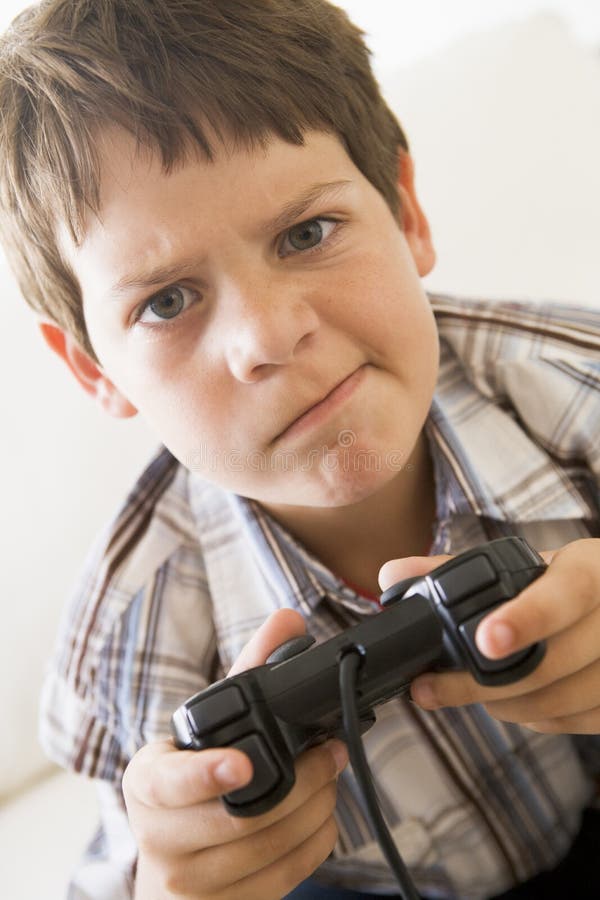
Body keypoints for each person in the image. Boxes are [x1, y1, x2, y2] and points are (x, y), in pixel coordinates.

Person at [1, 1, 599, 898]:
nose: (269, 337)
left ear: (406, 211)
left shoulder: (577, 385)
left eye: (307, 233)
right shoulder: (133, 632)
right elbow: (125, 868)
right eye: (167, 302)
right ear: (95, 369)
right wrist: (174, 884)